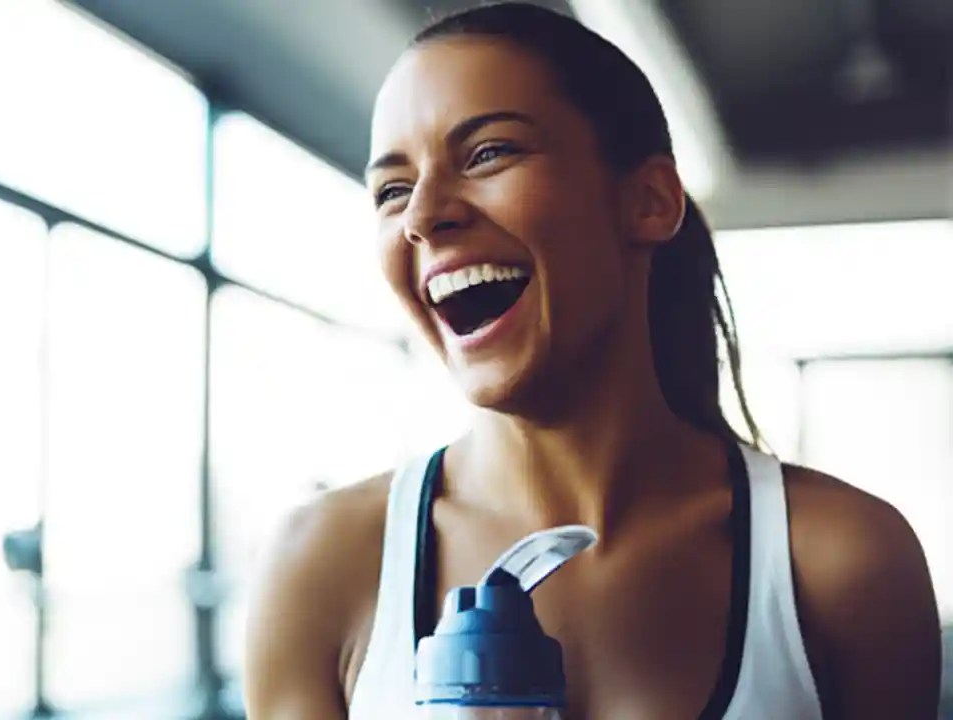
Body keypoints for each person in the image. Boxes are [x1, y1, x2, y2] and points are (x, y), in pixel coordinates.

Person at [242, 3, 941, 719]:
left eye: (489, 153)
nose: (422, 215)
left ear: (648, 200)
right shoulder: (320, 567)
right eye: (393, 190)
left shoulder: (840, 562)